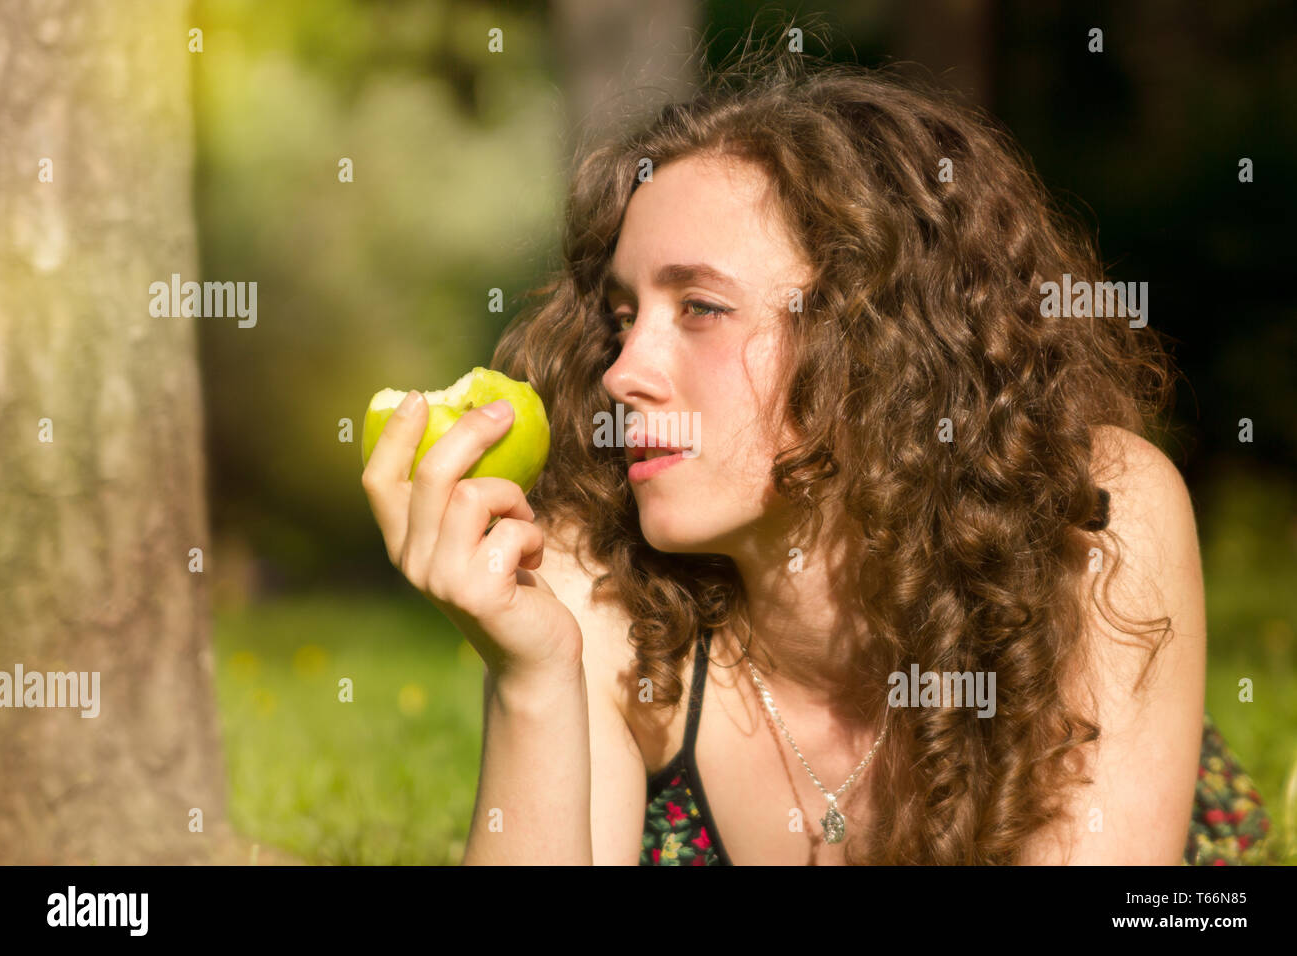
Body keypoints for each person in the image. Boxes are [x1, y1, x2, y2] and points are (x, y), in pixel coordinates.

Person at [361, 27, 1270, 865]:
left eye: (702, 309)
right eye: (623, 317)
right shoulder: (589, 587)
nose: (621, 371)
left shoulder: (1093, 517)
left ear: (876, 337)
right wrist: (532, 678)